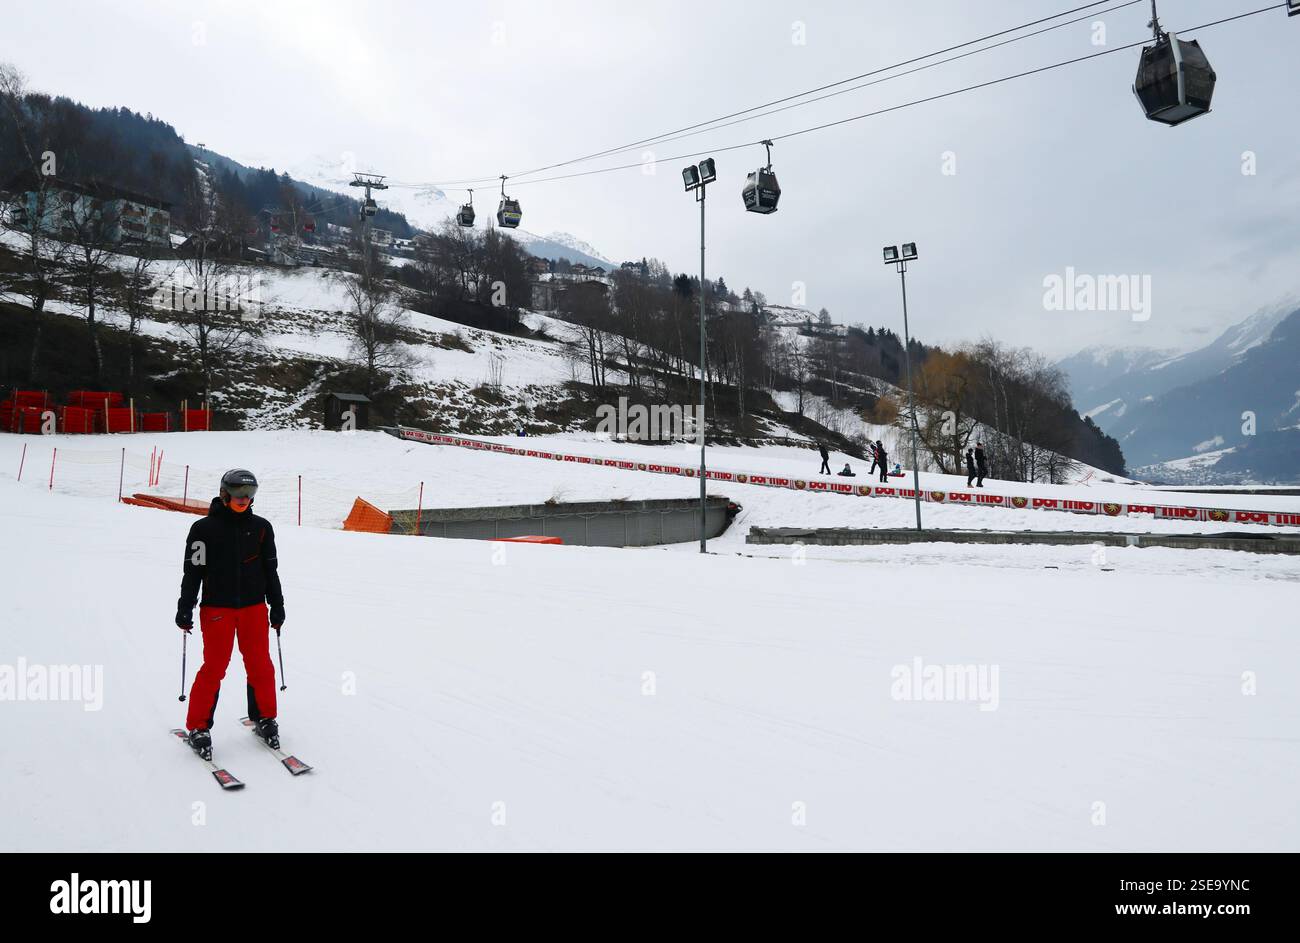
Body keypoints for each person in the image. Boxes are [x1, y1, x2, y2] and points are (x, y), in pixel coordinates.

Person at [176, 469, 286, 758]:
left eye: (249, 494)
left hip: (253, 608)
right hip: (217, 609)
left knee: (260, 664)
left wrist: (277, 605)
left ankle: (265, 718)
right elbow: (193, 571)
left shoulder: (262, 528)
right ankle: (198, 726)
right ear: (225, 494)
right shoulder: (203, 530)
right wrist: (184, 607)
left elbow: (270, 570)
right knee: (214, 667)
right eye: (238, 494)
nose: (244, 499)